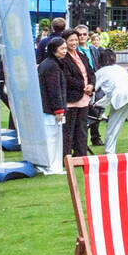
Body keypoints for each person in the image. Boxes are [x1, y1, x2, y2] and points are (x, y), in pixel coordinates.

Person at [91, 48, 128, 154]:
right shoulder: (119, 68)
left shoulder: (100, 72)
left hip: (122, 95)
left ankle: (109, 151)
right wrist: (98, 103)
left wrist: (93, 103)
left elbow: (93, 89)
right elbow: (112, 92)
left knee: (113, 125)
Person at [59, 28, 95, 159]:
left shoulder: (82, 55)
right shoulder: (63, 57)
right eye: (71, 40)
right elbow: (67, 77)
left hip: (84, 98)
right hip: (72, 98)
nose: (74, 42)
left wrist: (91, 85)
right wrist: (83, 86)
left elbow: (91, 73)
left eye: (76, 39)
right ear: (65, 42)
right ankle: (66, 156)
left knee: (82, 129)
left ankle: (81, 155)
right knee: (69, 130)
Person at [37, 36, 68, 175]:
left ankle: (51, 165)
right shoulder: (52, 66)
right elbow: (54, 89)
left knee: (52, 138)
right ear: (54, 50)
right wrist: (58, 109)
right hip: (50, 110)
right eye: (62, 49)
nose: (65, 51)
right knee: (52, 138)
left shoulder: (50, 63)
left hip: (48, 108)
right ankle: (52, 166)